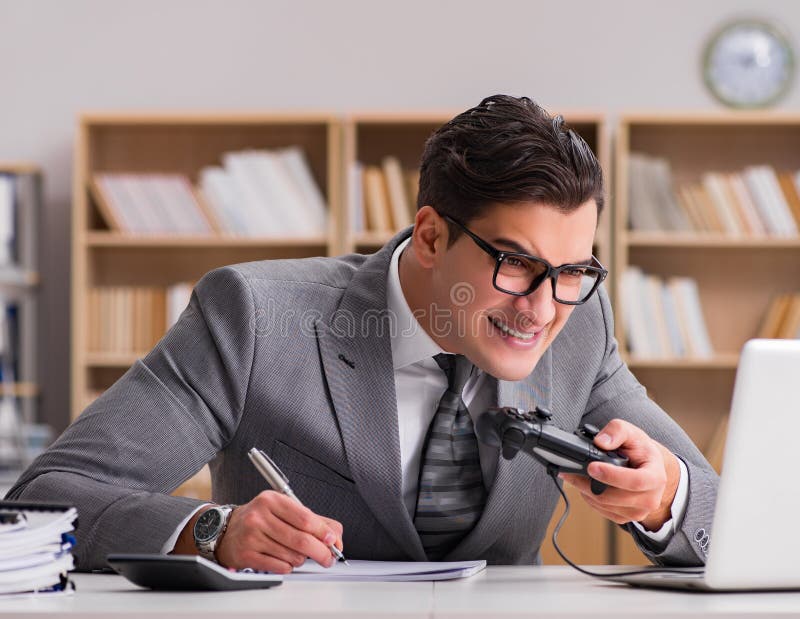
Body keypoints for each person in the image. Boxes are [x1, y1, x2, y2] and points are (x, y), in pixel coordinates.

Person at [8, 95, 718, 573]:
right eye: (517, 265)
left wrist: (664, 499)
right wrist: (211, 531)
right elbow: (46, 501)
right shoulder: (254, 316)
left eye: (570, 270)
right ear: (432, 235)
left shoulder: (580, 321)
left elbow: (724, 514)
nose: (542, 307)